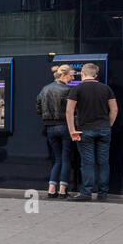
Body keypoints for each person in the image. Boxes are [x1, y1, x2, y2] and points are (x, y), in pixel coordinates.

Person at [66, 62, 117, 202]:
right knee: (103, 162)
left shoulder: (76, 89)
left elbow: (69, 111)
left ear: (82, 74)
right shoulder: (106, 89)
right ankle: (102, 193)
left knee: (87, 162)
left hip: (85, 130)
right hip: (104, 129)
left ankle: (86, 193)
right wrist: (108, 125)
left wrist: (72, 130)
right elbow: (114, 109)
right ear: (96, 75)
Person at [37, 65, 74, 199]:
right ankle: (63, 191)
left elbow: (38, 108)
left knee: (57, 159)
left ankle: (51, 189)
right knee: (66, 159)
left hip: (50, 128)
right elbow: (73, 110)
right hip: (64, 127)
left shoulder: (45, 89)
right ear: (63, 75)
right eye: (71, 75)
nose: (73, 77)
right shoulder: (69, 90)